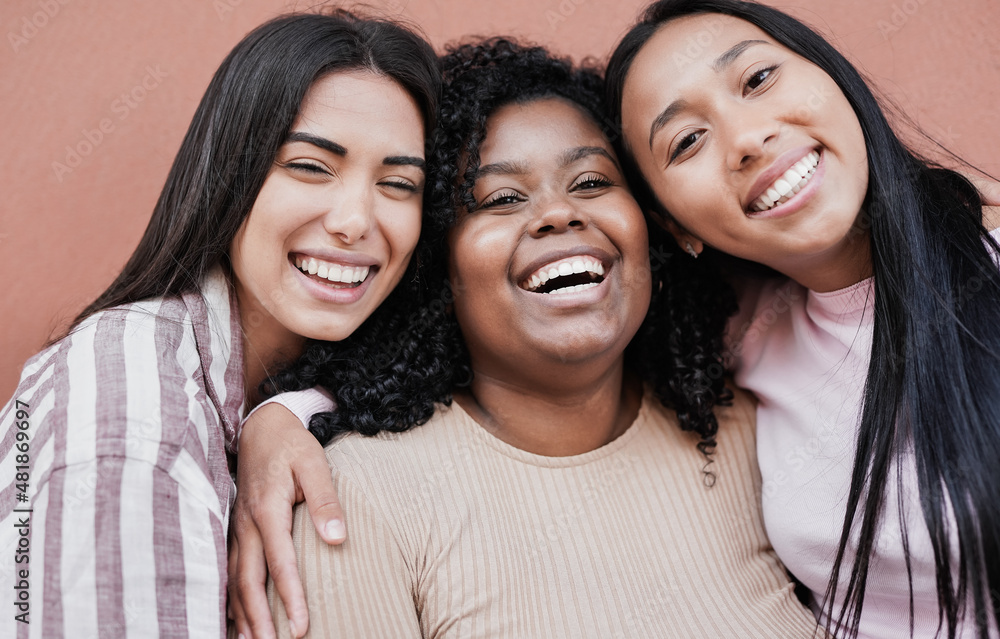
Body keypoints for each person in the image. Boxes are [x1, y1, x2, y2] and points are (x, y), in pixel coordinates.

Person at [254, 38, 824, 638]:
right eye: (501, 198)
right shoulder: (351, 498)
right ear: (437, 266)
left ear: (652, 230)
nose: (558, 213)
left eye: (591, 182)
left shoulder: (755, 437)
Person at [0, 10, 445, 638]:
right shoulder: (130, 410)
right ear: (229, 173)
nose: (354, 220)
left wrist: (286, 412)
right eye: (310, 166)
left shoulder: (309, 373)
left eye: (399, 183)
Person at [603, 0, 1000, 636]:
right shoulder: (738, 342)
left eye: (758, 80)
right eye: (686, 141)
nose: (747, 139)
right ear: (677, 228)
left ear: (834, 79)